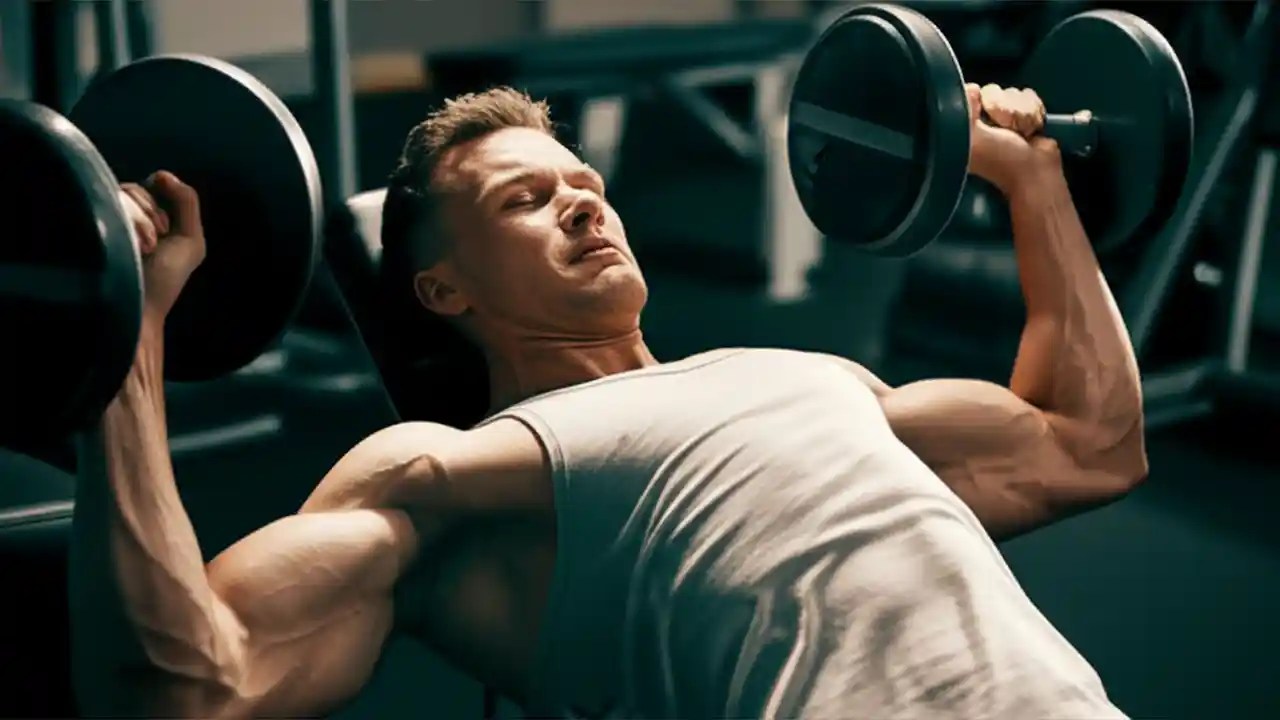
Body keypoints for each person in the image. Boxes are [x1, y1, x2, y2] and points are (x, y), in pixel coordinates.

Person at [70, 81, 1147, 719]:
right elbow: (185, 688)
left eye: (585, 186)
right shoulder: (445, 474)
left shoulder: (811, 374)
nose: (583, 207)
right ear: (441, 290)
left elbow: (1089, 444)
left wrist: (1031, 179)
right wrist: (127, 324)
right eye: (526, 201)